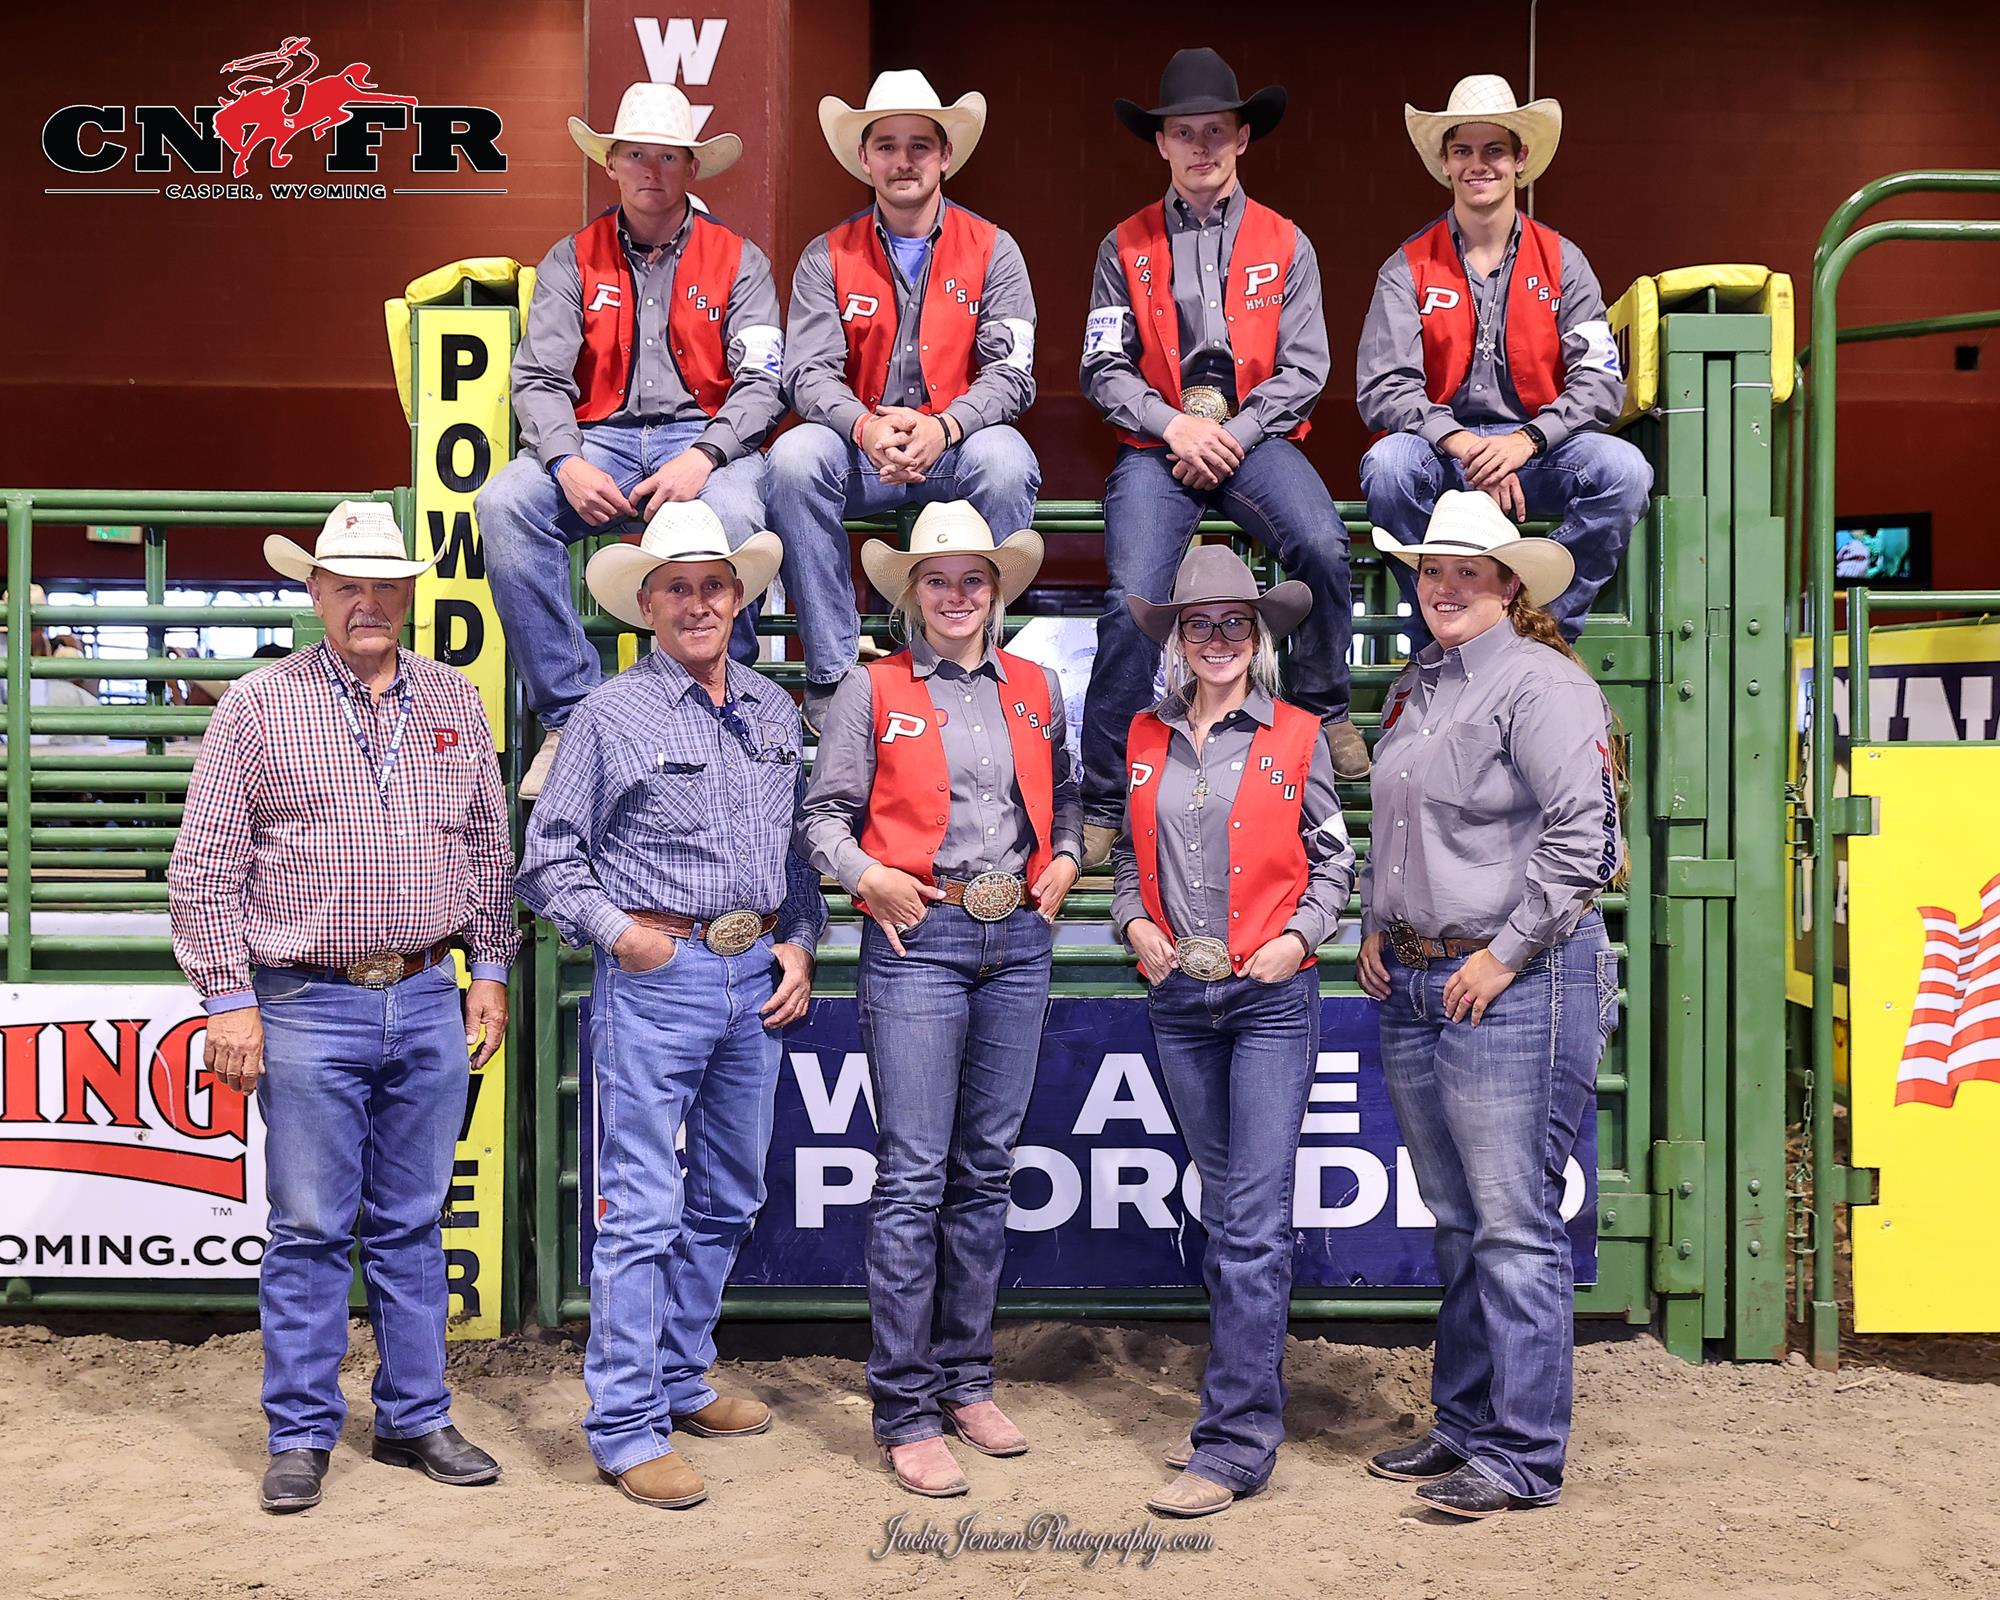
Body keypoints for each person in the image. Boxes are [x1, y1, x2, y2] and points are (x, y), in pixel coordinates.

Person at [166, 500, 518, 1515]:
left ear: (409, 592)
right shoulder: (255, 706)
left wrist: (486, 970)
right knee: (313, 1224)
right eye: (347, 583)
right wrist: (228, 999)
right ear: (315, 592)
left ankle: (415, 1416)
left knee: (412, 1219)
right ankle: (303, 1430)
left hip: (423, 993)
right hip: (305, 1000)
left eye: (386, 583)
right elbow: (203, 870)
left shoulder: (455, 698)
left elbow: (485, 853)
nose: (369, 601)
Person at [515, 500, 825, 1511]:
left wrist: (799, 942)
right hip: (658, 970)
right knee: (642, 1205)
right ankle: (622, 1422)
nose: (698, 603)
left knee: (729, 1191)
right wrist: (619, 933)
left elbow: (792, 854)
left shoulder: (775, 712)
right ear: (644, 605)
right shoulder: (608, 715)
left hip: (750, 975)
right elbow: (549, 859)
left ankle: (681, 1375)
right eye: (677, 588)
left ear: (739, 597)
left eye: (714, 585)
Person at [799, 501, 1081, 1496]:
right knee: (915, 1175)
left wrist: (1071, 858)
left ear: (996, 591)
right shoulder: (870, 689)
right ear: (909, 594)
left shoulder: (1039, 688)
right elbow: (823, 816)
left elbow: (1072, 799)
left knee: (984, 1170)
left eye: (972, 579)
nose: (955, 596)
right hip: (917, 933)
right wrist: (864, 874)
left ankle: (965, 1377)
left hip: (1017, 935)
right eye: (936, 580)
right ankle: (905, 1405)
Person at [1355, 490, 1623, 1518]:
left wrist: (1504, 954)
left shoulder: (1540, 684)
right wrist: (1379, 923)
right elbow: (1403, 831)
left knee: (1509, 1222)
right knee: (1462, 1221)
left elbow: (1582, 837)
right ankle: (1466, 1426)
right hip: (1425, 974)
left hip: (1511, 977)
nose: (1444, 586)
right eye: (1431, 570)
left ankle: (1518, 1454)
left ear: (1509, 584)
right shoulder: (1414, 686)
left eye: (1467, 569)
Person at [1108, 544, 1354, 1518]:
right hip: (1178, 999)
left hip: (1267, 998)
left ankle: (1235, 1440)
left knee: (1247, 1224)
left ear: (1256, 639)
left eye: (1235, 624)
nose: (1217, 638)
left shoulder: (1297, 735)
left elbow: (1332, 863)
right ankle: (1241, 1409)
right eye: (1199, 623)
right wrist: (1134, 924)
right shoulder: (1140, 736)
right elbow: (1131, 864)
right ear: (1176, 637)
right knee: (1230, 1214)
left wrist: (1299, 939)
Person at [1078, 47, 1367, 871]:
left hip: (1256, 439)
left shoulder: (1288, 242)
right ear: (1161, 144)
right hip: (1155, 444)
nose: (1201, 146)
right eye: (1183, 132)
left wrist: (1233, 433)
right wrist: (1175, 427)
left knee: (1320, 544)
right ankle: (1103, 796)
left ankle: (1323, 705)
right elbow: (1102, 366)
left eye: (1216, 130)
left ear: (1242, 138)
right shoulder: (1121, 246)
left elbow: (1307, 369)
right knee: (1132, 595)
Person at [476, 81, 785, 797]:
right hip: (595, 440)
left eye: (669, 157)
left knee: (734, 519)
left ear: (692, 168)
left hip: (706, 441)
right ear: (610, 164)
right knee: (504, 504)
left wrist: (703, 456)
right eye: (636, 155)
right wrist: (563, 461)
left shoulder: (740, 260)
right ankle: (573, 718)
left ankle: (721, 704)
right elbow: (539, 378)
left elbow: (762, 383)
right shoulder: (569, 260)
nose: (652, 170)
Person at [769, 70, 1040, 733]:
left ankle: (980, 662)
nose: (903, 161)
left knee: (1006, 461)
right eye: (886, 145)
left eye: (920, 145)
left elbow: (1013, 373)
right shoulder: (825, 255)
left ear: (946, 155)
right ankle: (833, 674)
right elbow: (807, 373)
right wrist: (864, 428)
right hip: (861, 451)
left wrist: (944, 428)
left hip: (955, 448)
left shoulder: (994, 249)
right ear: (864, 158)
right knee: (792, 458)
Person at [1357, 75, 1651, 646]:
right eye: (1463, 150)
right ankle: (1441, 629)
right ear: (1445, 163)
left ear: (1520, 158)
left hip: (1537, 452)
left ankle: (1539, 631)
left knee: (1625, 472)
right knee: (1388, 468)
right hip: (1443, 453)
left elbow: (1599, 385)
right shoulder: (1406, 266)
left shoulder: (1565, 261)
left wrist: (1525, 443)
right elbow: (1385, 388)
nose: (1478, 164)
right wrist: (1468, 447)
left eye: (1494, 149)